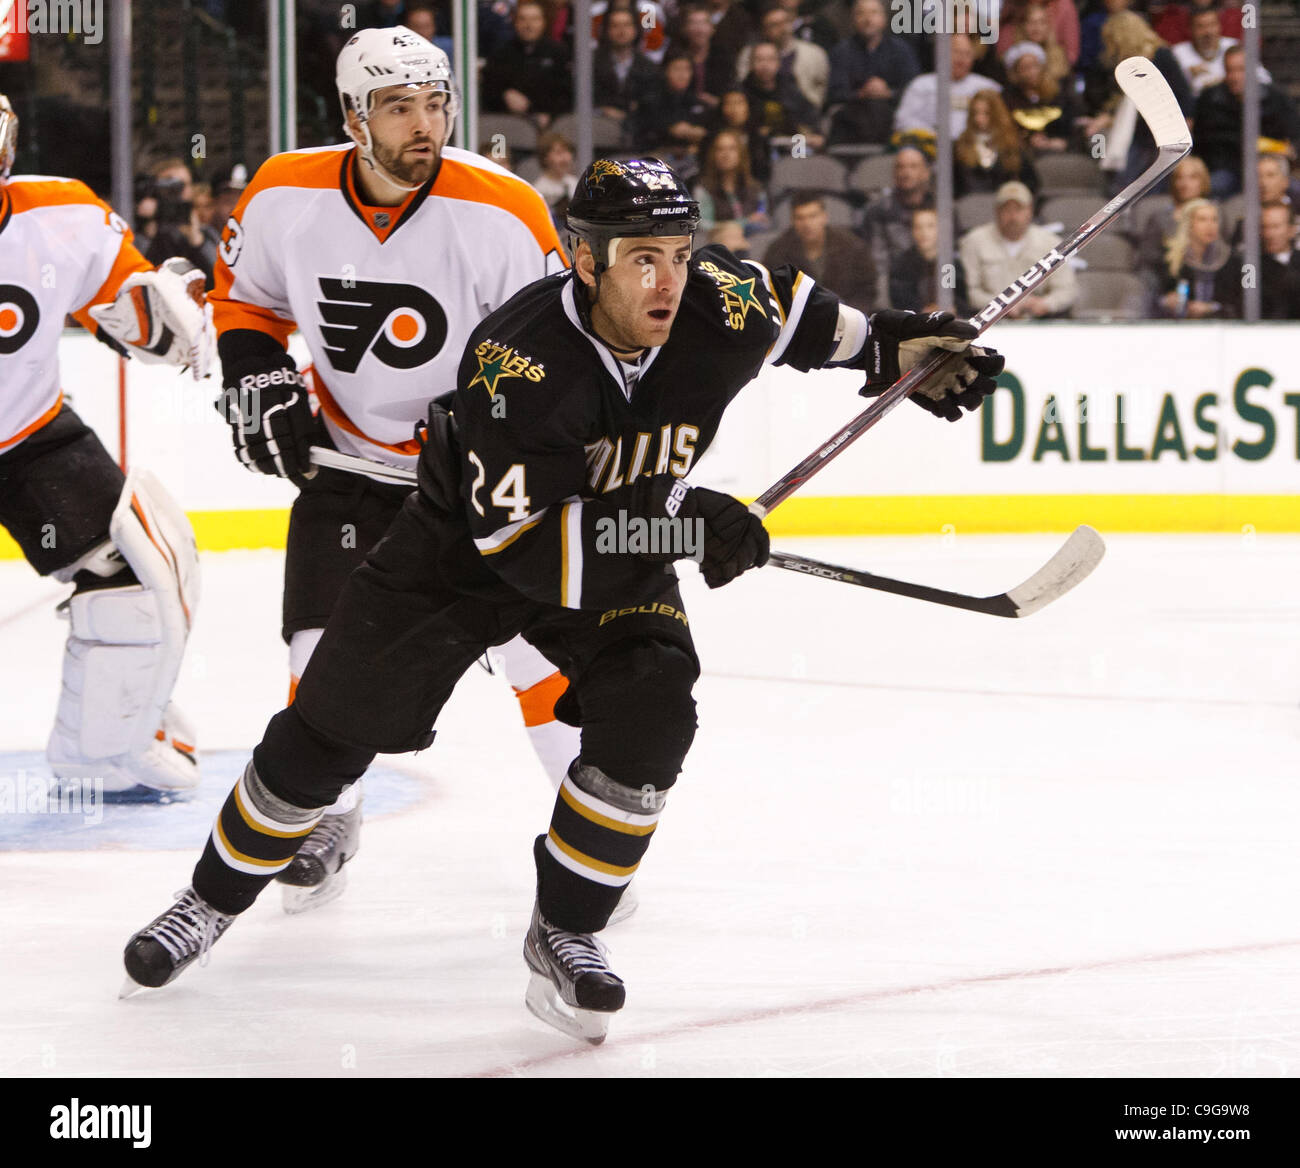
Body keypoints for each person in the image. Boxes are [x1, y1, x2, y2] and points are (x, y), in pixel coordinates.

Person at [122, 156, 1004, 1043]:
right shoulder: (519, 362)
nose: (668, 282)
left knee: (653, 710)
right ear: (584, 260)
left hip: (618, 541)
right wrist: (684, 529)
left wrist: (894, 345)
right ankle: (206, 902)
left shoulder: (716, 299)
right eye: (641, 261)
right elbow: (533, 550)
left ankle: (567, 930)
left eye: (679, 254)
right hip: (466, 550)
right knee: (328, 734)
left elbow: (795, 309)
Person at [205, 26, 582, 913]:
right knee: (321, 654)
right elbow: (244, 300)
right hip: (355, 469)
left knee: (539, 660)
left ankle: (585, 839)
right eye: (399, 107)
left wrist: (502, 434)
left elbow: (559, 347)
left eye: (437, 103)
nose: (426, 125)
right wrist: (255, 370)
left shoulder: (502, 208)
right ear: (351, 116)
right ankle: (329, 809)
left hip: (481, 479)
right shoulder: (282, 193)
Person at [0, 92, 213, 802]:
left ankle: (99, 746)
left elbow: (131, 303)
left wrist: (168, 310)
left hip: (27, 435)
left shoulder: (56, 214)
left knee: (135, 570)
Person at [959, 180, 1078, 318]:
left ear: (1030, 211)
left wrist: (1046, 303)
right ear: (997, 211)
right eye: (1007, 209)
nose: (1013, 216)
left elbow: (1067, 289)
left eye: (1019, 209)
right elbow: (971, 292)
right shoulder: (974, 241)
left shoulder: (1050, 242)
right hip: (990, 323)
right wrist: (1001, 306)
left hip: (1039, 323)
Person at [1193, 47, 1299, 199]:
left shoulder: (1276, 98)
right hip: (1226, 169)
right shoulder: (1210, 100)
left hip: (1268, 167)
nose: (1235, 76)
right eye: (1230, 70)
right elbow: (1200, 144)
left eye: (1241, 70)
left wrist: (1290, 150)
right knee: (1213, 187)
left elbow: (1295, 136)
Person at [826, 0, 920, 146]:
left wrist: (889, 93)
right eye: (861, 14)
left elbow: (914, 89)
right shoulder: (841, 51)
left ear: (884, 19)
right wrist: (862, 93)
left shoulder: (901, 50)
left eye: (874, 13)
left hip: (892, 115)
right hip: (852, 118)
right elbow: (834, 93)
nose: (868, 19)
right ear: (853, 20)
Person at [764, 191, 877, 311]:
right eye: (800, 218)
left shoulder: (853, 247)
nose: (807, 224)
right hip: (798, 321)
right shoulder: (777, 252)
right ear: (792, 221)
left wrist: (849, 315)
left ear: (824, 217)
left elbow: (866, 288)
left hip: (848, 316)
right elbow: (771, 291)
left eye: (813, 216)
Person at [858, 144, 934, 306]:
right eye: (901, 167)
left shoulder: (941, 208)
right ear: (894, 173)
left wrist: (947, 301)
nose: (906, 172)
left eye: (913, 167)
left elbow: (949, 257)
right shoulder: (878, 211)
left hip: (935, 282)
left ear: (926, 172)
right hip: (894, 284)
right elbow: (878, 264)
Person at [481, 1, 573, 127]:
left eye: (535, 19)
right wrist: (504, 95)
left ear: (544, 22)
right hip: (508, 122)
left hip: (552, 122)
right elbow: (488, 89)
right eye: (523, 19)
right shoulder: (501, 53)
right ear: (515, 22)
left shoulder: (559, 53)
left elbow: (567, 93)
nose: (528, 25)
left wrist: (550, 114)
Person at [894, 33, 1000, 139]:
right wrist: (932, 135)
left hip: (975, 146)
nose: (961, 60)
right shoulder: (922, 85)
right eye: (956, 52)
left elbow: (1001, 122)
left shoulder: (988, 87)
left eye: (967, 54)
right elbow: (903, 119)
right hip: (930, 144)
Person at [736, 2, 830, 110]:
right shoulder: (748, 54)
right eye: (775, 25)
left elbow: (820, 91)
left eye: (785, 22)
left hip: (801, 114)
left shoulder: (814, 54)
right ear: (764, 29)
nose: (783, 28)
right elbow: (742, 87)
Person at [1156, 197, 1239, 317]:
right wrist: (1165, 301)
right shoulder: (1169, 258)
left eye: (1214, 220)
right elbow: (1153, 296)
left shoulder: (1231, 260)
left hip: (1220, 326)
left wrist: (1211, 308)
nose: (1210, 226)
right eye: (1202, 220)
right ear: (1188, 225)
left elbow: (1237, 303)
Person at [741, 41, 825, 152]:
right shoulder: (741, 93)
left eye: (770, 59)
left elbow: (809, 118)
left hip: (791, 147)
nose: (765, 65)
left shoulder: (790, 89)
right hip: (754, 150)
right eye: (759, 59)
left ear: (778, 63)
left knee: (805, 156)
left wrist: (816, 135)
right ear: (751, 64)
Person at [954, 90, 1040, 197]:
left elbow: (1031, 184)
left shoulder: (1013, 146)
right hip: (969, 207)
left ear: (997, 114)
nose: (979, 119)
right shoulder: (960, 146)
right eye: (975, 113)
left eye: (986, 113)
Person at [889, 206, 971, 315]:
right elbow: (900, 299)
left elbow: (959, 296)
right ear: (912, 231)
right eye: (918, 227)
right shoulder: (902, 264)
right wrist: (922, 310)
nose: (924, 233)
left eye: (930, 226)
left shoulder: (949, 263)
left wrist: (950, 308)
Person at [1001, 41, 1076, 157]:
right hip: (1024, 153)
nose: (1031, 72)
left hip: (1060, 150)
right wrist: (1028, 140)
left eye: (1035, 66)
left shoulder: (1058, 94)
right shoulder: (1007, 98)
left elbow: (1070, 123)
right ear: (1015, 72)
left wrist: (1060, 141)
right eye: (1025, 68)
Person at [593, 5, 662, 128]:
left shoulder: (648, 67)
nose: (621, 31)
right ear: (606, 30)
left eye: (627, 25)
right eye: (615, 26)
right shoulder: (592, 63)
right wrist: (604, 110)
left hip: (637, 129)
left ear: (635, 30)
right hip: (597, 124)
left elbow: (650, 103)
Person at [693, 128, 770, 235]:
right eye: (720, 149)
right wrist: (743, 223)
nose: (726, 154)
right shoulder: (704, 189)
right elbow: (702, 225)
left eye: (732, 149)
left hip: (754, 242)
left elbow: (763, 220)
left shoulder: (755, 188)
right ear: (713, 155)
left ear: (741, 154)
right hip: (718, 243)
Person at [1254, 202, 1300, 320]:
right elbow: (1245, 301)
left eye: (1275, 227)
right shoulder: (1249, 266)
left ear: (1291, 230)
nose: (1269, 234)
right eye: (1264, 227)